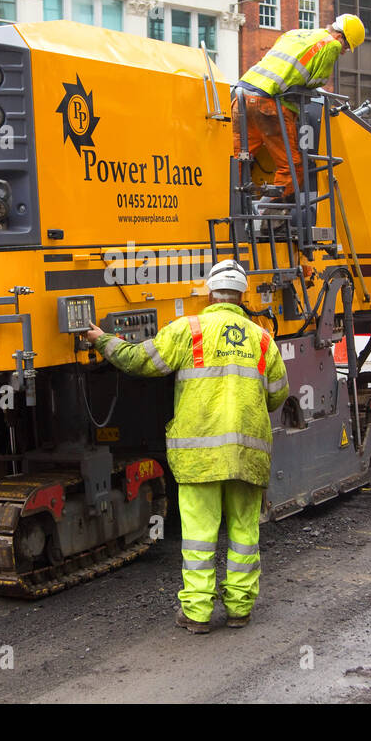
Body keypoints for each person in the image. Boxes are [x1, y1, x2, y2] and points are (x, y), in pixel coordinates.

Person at [84, 260, 289, 633]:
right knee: (245, 533)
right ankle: (239, 610)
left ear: (210, 293)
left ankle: (196, 614)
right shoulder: (262, 339)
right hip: (247, 454)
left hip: (199, 456)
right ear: (242, 296)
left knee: (198, 535)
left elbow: (138, 360)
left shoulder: (188, 330)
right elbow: (277, 395)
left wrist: (102, 340)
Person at [233, 14, 366, 200]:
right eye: (346, 46)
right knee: (292, 168)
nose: (343, 51)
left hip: (241, 96)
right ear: (341, 37)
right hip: (269, 104)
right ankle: (263, 213)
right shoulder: (331, 44)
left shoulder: (294, 33)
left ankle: (234, 209)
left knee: (237, 160)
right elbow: (317, 81)